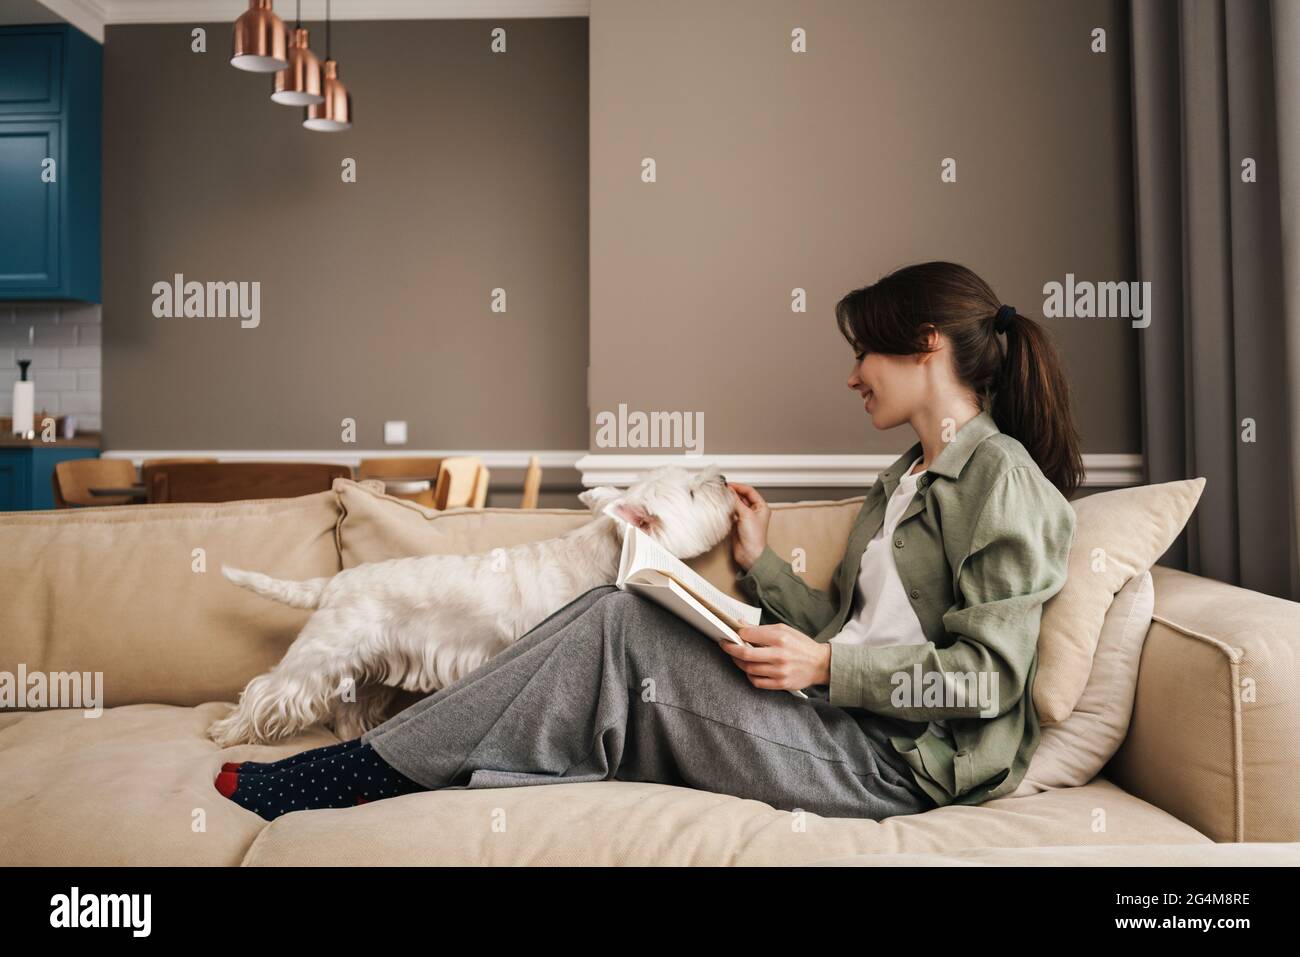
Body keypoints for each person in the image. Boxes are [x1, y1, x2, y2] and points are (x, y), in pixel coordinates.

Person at [214, 261, 1078, 822]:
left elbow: (988, 678)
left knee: (619, 630)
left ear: (925, 347)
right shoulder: (905, 479)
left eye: (865, 354)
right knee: (615, 604)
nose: (852, 374)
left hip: (894, 763)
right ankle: (384, 764)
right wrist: (761, 563)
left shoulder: (1002, 482)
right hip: (838, 716)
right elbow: (850, 630)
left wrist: (824, 671)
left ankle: (361, 771)